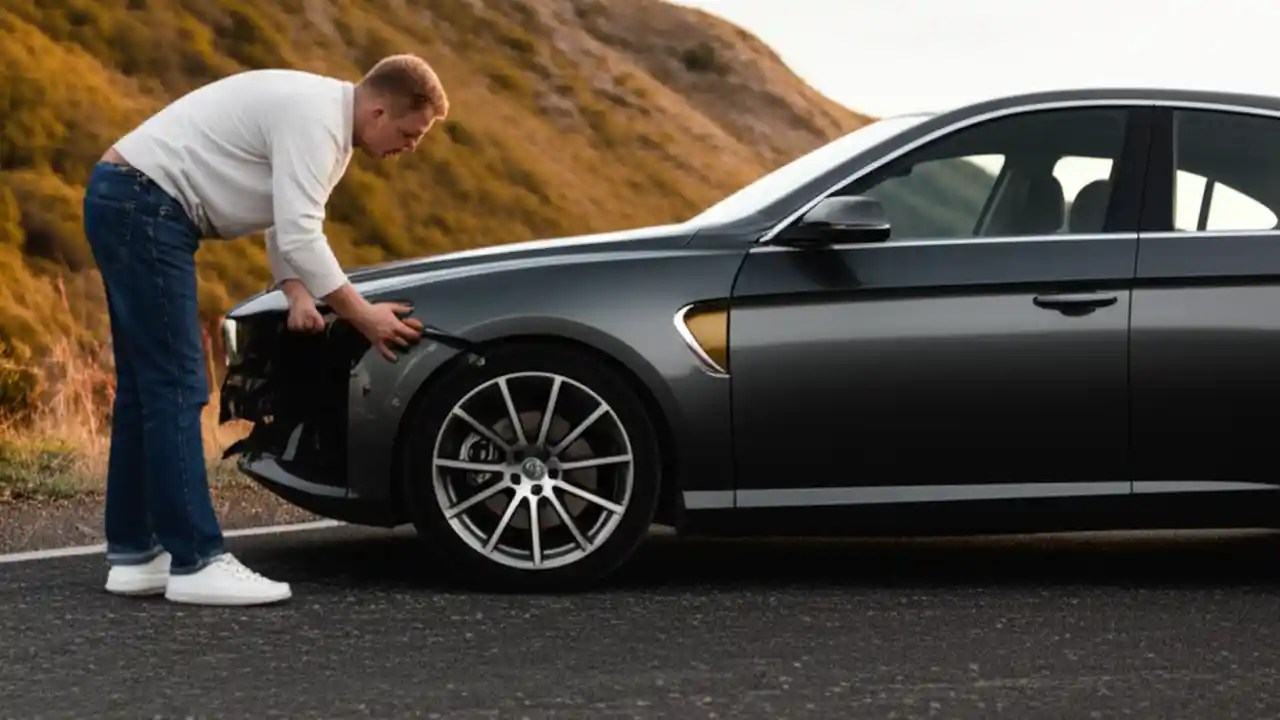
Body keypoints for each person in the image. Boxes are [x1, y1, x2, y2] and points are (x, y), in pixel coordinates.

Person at [82, 54, 449, 605]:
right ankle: (197, 561)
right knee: (178, 386)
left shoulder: (329, 123)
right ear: (378, 110)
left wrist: (297, 291)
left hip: (128, 198)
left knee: (146, 389)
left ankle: (136, 555)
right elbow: (301, 234)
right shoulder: (318, 122)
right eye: (408, 133)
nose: (409, 147)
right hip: (146, 204)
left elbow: (287, 222)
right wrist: (364, 315)